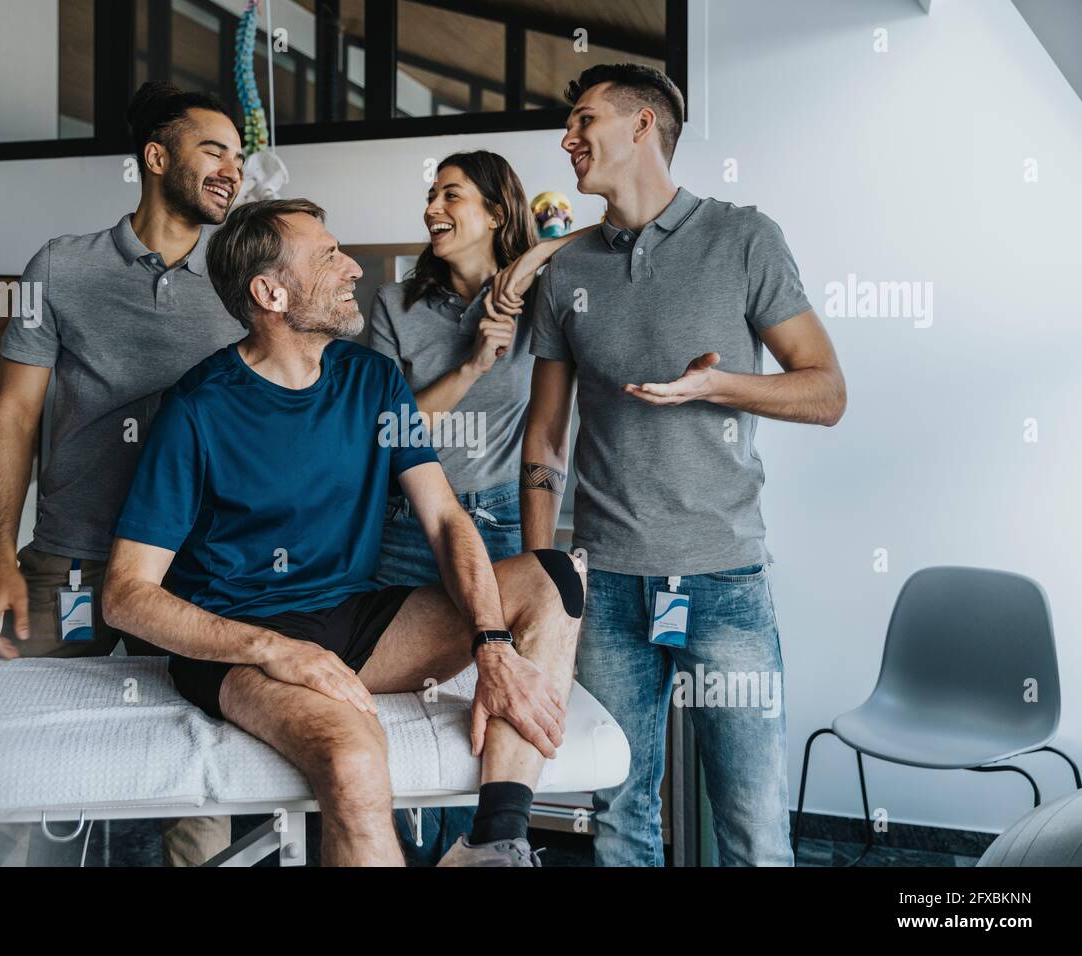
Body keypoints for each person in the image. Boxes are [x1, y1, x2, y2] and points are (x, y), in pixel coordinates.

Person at [101, 198, 588, 867]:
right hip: (240, 641)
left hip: (353, 618)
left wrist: (493, 642)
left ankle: (496, 840)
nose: (352, 268)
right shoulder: (197, 409)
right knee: (355, 763)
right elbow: (125, 594)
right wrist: (272, 649)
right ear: (271, 292)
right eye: (328, 257)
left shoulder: (373, 380)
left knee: (554, 576)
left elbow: (445, 520)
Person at [517, 63, 847, 866]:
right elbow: (544, 437)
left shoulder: (743, 237)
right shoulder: (566, 270)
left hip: (722, 581)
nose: (567, 139)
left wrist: (719, 386)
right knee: (620, 813)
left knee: (752, 825)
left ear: (641, 126)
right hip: (611, 591)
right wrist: (545, 567)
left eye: (583, 119)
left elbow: (826, 391)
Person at [0, 81, 245, 866]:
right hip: (72, 568)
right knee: (30, 765)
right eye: (214, 151)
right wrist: (1, 557)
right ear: (155, 157)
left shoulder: (243, 284)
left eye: (240, 155)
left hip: (195, 576)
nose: (233, 169)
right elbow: (13, 417)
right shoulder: (60, 268)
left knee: (202, 789)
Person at [367, 150, 587, 861]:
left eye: (450, 194)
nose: (432, 206)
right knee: (410, 712)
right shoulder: (395, 304)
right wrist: (470, 366)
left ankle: (492, 845)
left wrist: (521, 272)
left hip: (500, 520)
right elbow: (385, 434)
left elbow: (614, 230)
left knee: (488, 704)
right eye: (429, 193)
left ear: (497, 211)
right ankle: (417, 854)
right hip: (408, 525)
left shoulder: (544, 296)